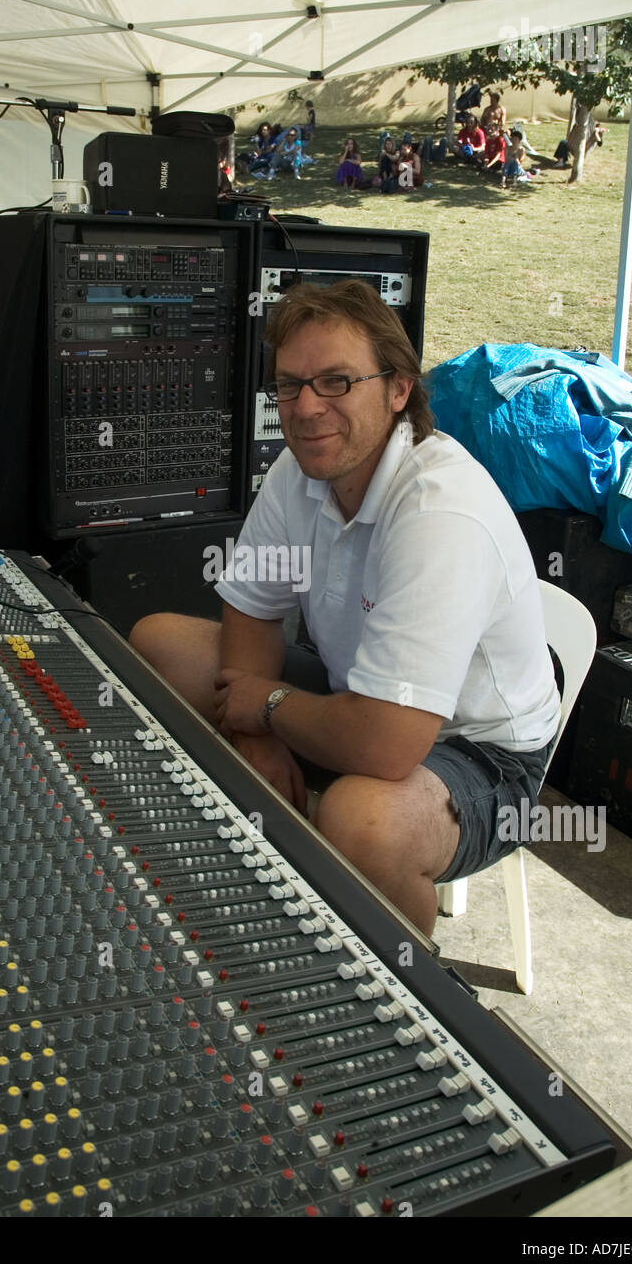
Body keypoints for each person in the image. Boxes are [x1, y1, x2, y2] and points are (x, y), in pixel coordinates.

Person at [129, 281, 560, 937]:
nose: (306, 407)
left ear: (397, 390)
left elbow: (388, 746)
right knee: (160, 643)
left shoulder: (439, 510)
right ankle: (273, 884)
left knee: (363, 821)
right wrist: (254, 735)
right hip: (355, 697)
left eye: (335, 382)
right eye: (290, 385)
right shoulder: (299, 472)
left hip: (481, 754)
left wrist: (267, 707)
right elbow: (251, 608)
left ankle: (405, 1007)